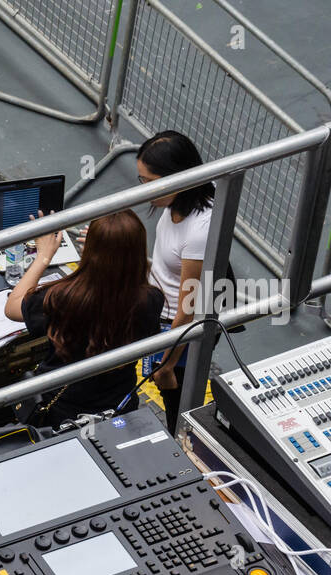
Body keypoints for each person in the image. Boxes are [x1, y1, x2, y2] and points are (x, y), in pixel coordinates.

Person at [4, 209, 165, 425]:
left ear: (91, 251)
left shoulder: (64, 297)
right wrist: (111, 249)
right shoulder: (151, 299)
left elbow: (12, 307)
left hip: (61, 411)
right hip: (118, 408)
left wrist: (44, 255)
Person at [135, 130, 216, 432]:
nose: (142, 189)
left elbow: (189, 308)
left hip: (175, 330)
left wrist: (167, 366)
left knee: (178, 409)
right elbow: (164, 265)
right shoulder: (174, 206)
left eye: (148, 182)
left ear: (177, 178)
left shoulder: (200, 230)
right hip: (160, 315)